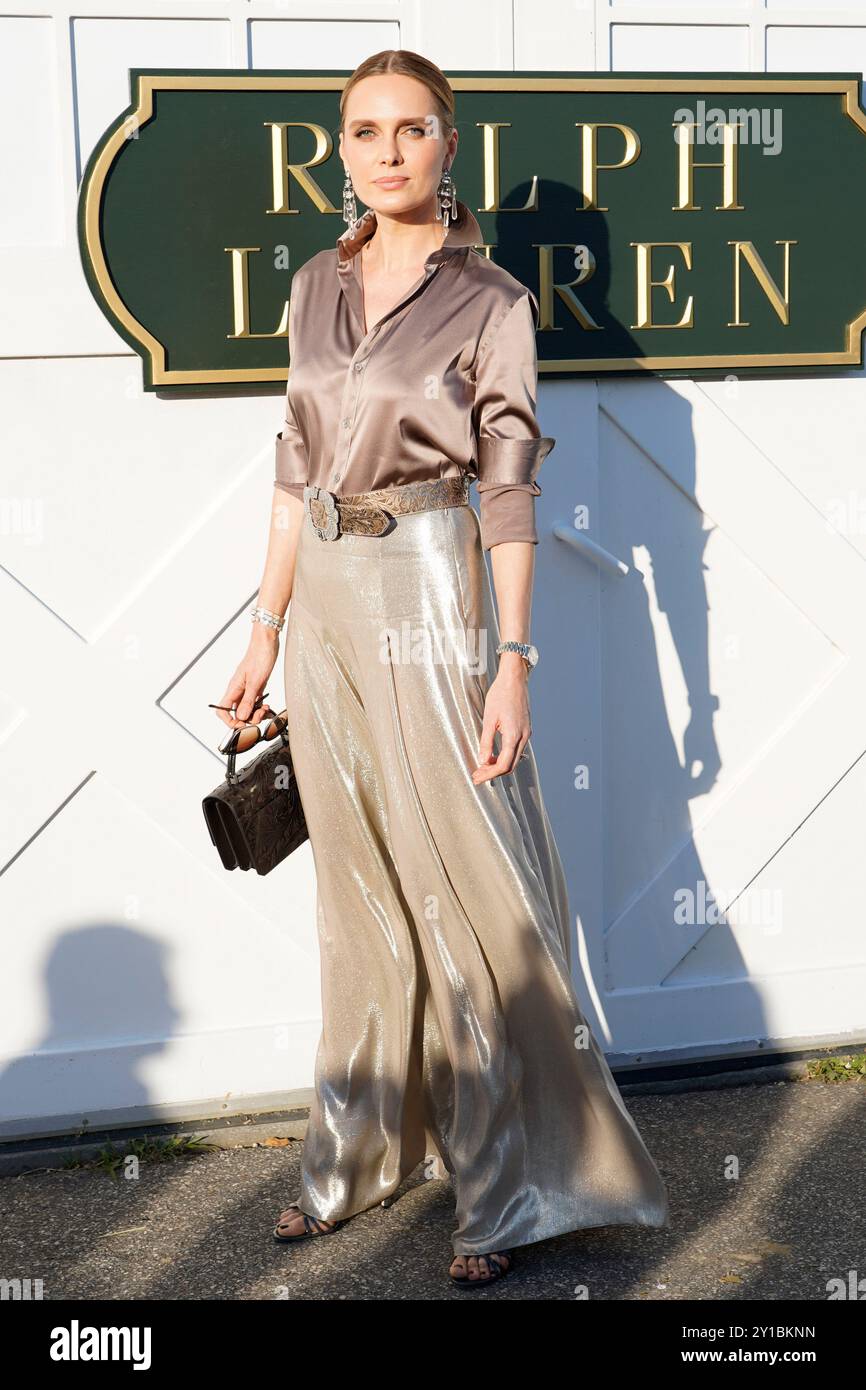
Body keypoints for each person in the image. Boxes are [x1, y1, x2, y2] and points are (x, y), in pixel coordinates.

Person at [215, 48, 669, 1290]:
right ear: (341, 148)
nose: (387, 150)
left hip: (427, 581)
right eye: (365, 130)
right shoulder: (313, 283)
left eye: (411, 128)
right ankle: (351, 1152)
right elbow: (292, 466)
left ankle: (509, 1179)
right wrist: (261, 633)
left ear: (447, 144)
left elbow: (509, 493)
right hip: (323, 599)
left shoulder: (493, 303)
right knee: (355, 884)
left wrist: (509, 662)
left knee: (466, 877)